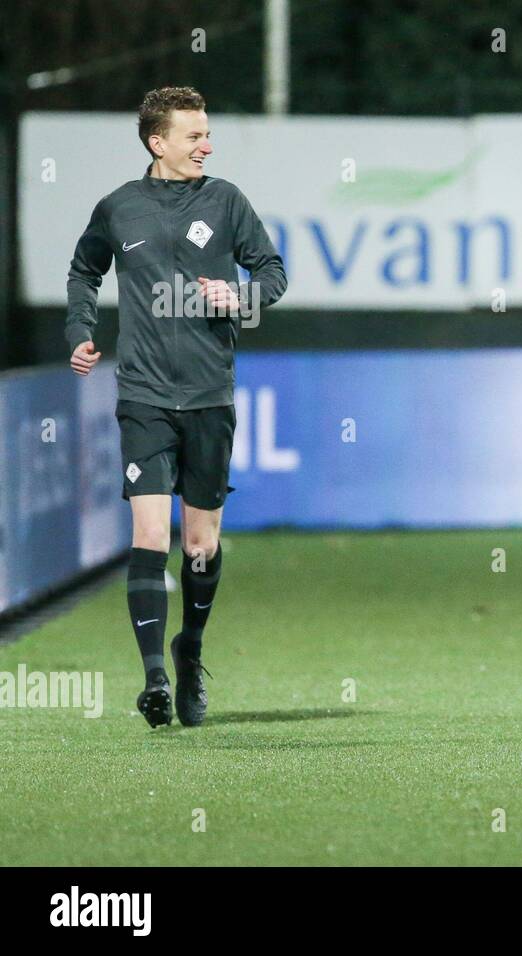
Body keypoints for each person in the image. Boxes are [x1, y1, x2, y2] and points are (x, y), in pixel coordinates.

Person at [66, 87, 286, 728]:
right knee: (150, 534)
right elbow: (85, 272)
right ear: (158, 143)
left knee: (199, 542)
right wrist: (81, 330)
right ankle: (154, 678)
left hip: (211, 396)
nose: (207, 145)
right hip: (143, 396)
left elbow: (272, 272)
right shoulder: (119, 208)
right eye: (195, 136)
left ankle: (189, 649)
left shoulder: (225, 200)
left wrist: (239, 296)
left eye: (208, 133)